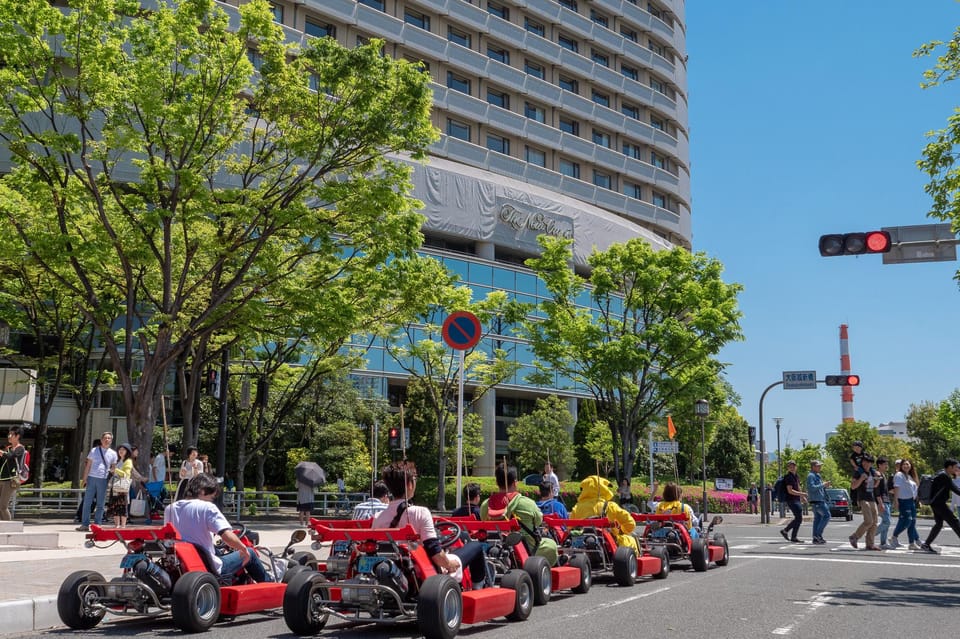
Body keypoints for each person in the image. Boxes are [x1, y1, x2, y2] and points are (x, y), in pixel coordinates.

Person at [374, 462, 488, 588]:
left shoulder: (378, 517)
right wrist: (450, 564)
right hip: (425, 572)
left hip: (395, 571)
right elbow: (435, 552)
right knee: (476, 546)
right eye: (414, 479)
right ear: (409, 485)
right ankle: (478, 588)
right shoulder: (420, 512)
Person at [164, 473, 270, 582]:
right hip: (209, 567)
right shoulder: (207, 507)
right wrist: (243, 548)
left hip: (183, 563)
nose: (211, 501)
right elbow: (226, 536)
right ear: (202, 491)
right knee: (250, 553)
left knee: (217, 550)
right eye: (211, 497)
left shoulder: (170, 508)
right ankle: (270, 584)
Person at [483, 462, 560, 565]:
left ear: (497, 482)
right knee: (551, 545)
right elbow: (538, 521)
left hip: (495, 548)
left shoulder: (486, 505)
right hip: (527, 549)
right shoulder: (527, 503)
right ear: (515, 483)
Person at [571, 475, 639, 552]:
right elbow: (630, 524)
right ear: (604, 488)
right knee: (632, 541)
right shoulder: (610, 506)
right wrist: (621, 531)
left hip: (582, 544)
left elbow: (570, 528)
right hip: (608, 546)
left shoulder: (577, 508)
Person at [77, 432, 118, 532]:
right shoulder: (94, 450)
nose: (107, 440)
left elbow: (113, 468)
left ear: (111, 441)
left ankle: (97, 524)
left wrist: (110, 478)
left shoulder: (113, 453)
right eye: (105, 438)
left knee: (101, 503)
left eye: (109, 438)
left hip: (103, 479)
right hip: (92, 477)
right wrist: (84, 478)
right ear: (101, 440)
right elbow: (88, 465)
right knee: (87, 502)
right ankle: (85, 524)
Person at [920, 458, 960, 553]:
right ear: (949, 467)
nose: (957, 469)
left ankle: (926, 544)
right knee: (954, 522)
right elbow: (955, 489)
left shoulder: (940, 473)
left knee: (939, 524)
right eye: (955, 467)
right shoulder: (944, 476)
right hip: (939, 504)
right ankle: (926, 544)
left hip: (935, 503)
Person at [849, 453, 880, 550]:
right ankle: (854, 536)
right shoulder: (858, 472)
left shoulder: (872, 472)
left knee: (874, 522)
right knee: (868, 521)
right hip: (863, 498)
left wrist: (878, 479)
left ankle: (870, 544)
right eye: (864, 462)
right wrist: (861, 479)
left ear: (871, 463)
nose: (866, 464)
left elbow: (874, 486)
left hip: (871, 498)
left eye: (869, 462)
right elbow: (853, 486)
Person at [890, 458, 921, 549]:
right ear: (901, 466)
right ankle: (894, 537)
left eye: (907, 464)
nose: (906, 466)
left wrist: (917, 500)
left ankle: (912, 543)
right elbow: (896, 488)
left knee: (912, 522)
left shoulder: (909, 476)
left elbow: (914, 489)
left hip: (911, 501)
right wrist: (896, 501)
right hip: (903, 501)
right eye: (904, 464)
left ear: (911, 466)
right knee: (907, 521)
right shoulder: (899, 475)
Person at [0, 426, 27, 520]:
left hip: (11, 480)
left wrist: (2, 453)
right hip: (2, 478)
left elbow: (11, 457)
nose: (9, 436)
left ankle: (8, 526)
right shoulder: (8, 448)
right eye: (9, 434)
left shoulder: (20, 448)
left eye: (11, 434)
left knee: (3, 506)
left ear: (17, 436)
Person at [106, 443, 134, 528]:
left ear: (127, 451)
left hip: (122, 486)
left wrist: (115, 470)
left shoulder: (128, 461)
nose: (121, 451)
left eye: (123, 450)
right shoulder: (118, 460)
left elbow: (126, 474)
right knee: (115, 505)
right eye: (120, 449)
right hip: (115, 485)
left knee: (122, 505)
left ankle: (123, 525)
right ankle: (117, 524)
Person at [779, 460, 807, 543]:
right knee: (799, 518)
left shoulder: (796, 476)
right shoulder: (788, 477)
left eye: (793, 466)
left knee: (798, 518)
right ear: (788, 468)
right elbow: (790, 491)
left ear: (796, 467)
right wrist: (802, 494)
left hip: (796, 499)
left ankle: (793, 536)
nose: (792, 468)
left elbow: (798, 487)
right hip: (791, 499)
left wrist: (802, 497)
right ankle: (786, 531)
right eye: (790, 466)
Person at [805, 460, 830, 544]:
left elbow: (819, 488)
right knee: (827, 516)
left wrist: (825, 487)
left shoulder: (817, 475)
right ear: (813, 467)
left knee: (818, 518)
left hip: (820, 499)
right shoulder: (811, 476)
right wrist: (823, 485)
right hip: (817, 500)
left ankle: (815, 537)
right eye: (818, 466)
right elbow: (811, 488)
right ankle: (818, 535)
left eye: (820, 466)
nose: (820, 467)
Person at [875, 457, 893, 549]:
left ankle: (883, 543)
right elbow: (876, 490)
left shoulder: (884, 475)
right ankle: (871, 535)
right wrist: (880, 503)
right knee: (887, 522)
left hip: (887, 501)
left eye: (887, 464)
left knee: (885, 522)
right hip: (882, 501)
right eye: (885, 464)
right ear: (879, 465)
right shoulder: (877, 475)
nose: (887, 466)